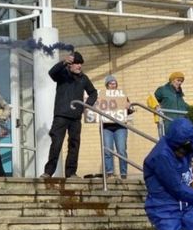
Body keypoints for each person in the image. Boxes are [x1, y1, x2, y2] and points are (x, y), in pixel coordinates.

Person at [42, 51, 97, 179]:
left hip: (76, 118)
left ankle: (71, 173)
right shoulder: (62, 75)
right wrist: (63, 62)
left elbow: (93, 93)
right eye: (76, 63)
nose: (79, 66)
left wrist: (86, 105)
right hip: (61, 115)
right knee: (56, 143)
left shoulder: (84, 78)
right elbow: (51, 73)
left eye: (80, 64)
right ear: (70, 65)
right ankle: (48, 172)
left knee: (74, 144)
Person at [101, 75, 131, 179]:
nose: (113, 85)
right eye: (110, 83)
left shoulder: (122, 95)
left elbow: (129, 111)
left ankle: (123, 174)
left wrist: (129, 106)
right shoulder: (102, 96)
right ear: (107, 85)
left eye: (114, 83)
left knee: (121, 150)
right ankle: (109, 173)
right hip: (106, 127)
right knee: (107, 150)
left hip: (120, 126)